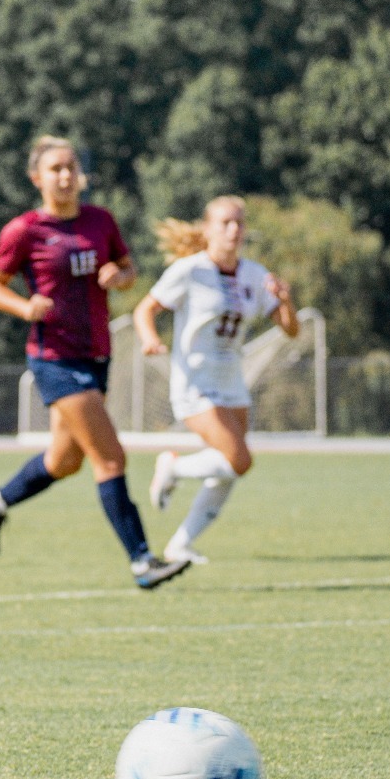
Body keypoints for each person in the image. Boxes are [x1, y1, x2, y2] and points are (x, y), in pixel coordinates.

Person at [0, 136, 187, 590]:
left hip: (97, 355)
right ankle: (142, 561)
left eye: (71, 168)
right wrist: (24, 307)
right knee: (110, 456)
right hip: (54, 358)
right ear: (37, 178)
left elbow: (126, 271)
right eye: (55, 169)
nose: (66, 176)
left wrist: (121, 276)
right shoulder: (25, 230)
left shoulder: (100, 220)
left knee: (64, 460)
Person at [135, 196, 298, 565]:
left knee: (227, 470)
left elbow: (290, 330)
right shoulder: (189, 270)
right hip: (195, 383)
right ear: (207, 229)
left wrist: (286, 302)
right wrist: (150, 337)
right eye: (225, 222)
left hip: (232, 383)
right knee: (238, 460)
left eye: (239, 223)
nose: (233, 230)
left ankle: (181, 544)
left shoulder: (255, 275)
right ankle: (172, 467)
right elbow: (145, 309)